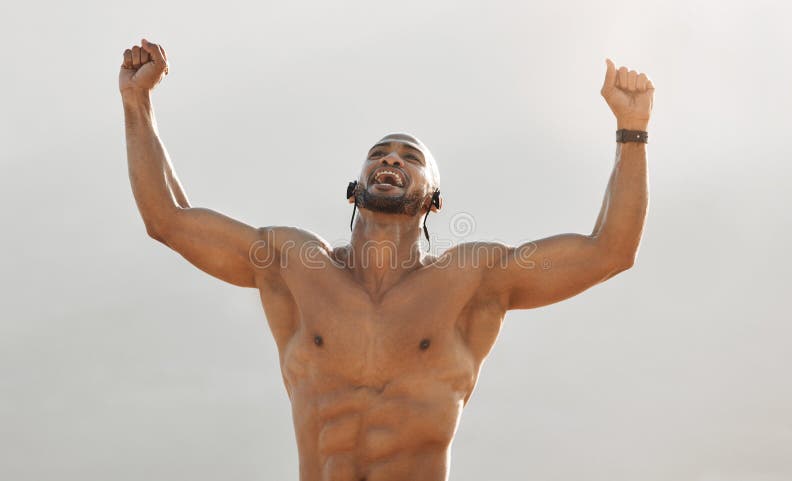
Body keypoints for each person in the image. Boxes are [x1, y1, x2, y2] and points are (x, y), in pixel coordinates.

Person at [119, 38, 653, 481]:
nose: (391, 158)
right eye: (379, 154)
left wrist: (631, 131)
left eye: (410, 158)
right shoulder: (292, 263)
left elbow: (609, 251)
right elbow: (169, 220)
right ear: (355, 188)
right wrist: (137, 105)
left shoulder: (472, 278)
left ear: (433, 200)